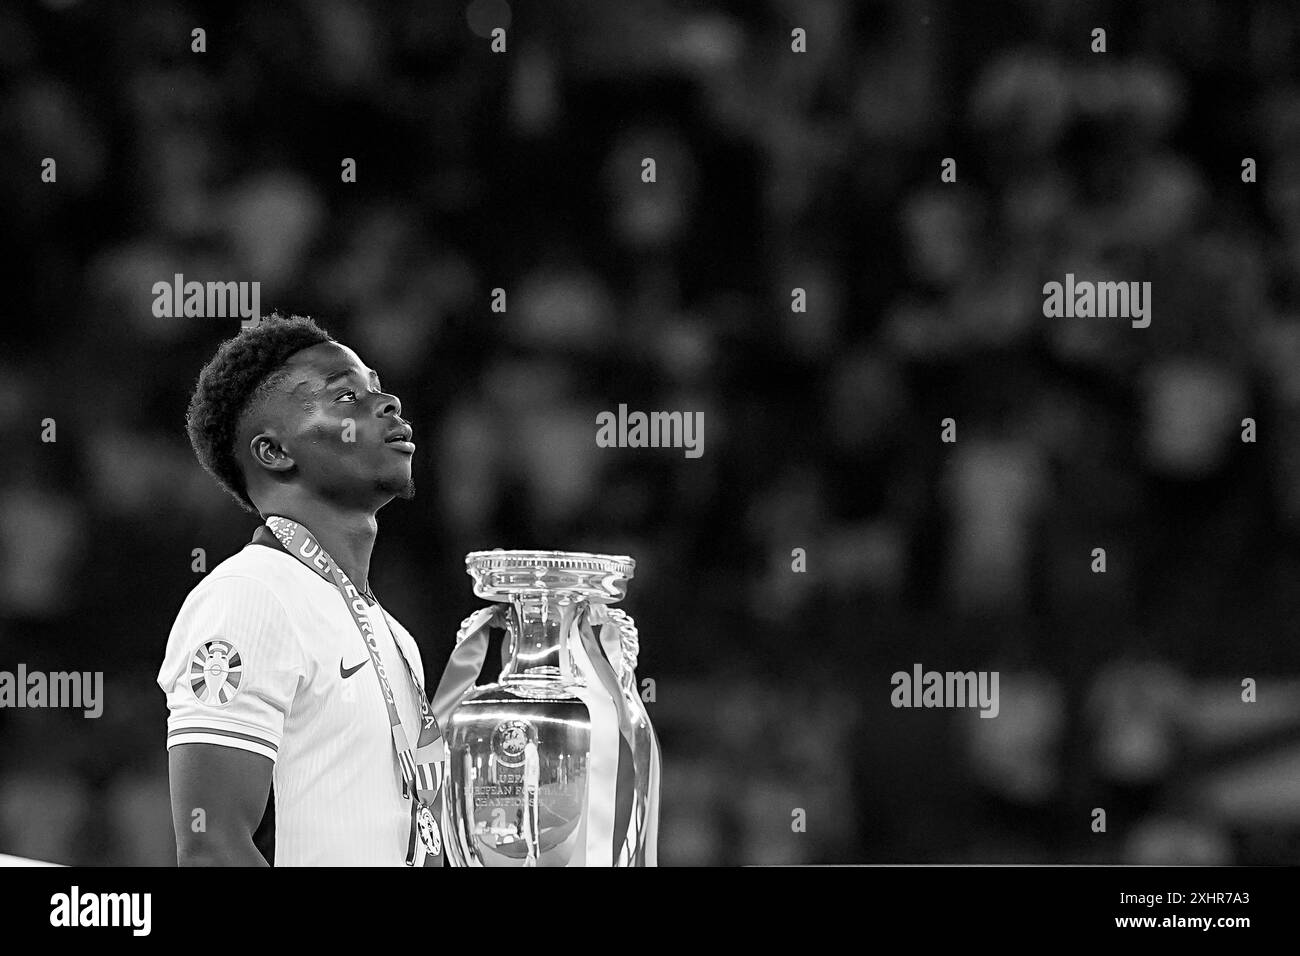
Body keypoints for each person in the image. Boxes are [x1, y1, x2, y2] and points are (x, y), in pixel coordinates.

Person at [157, 313, 443, 866]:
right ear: (275, 452)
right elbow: (212, 847)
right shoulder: (251, 595)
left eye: (379, 390)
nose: (387, 404)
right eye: (345, 398)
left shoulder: (395, 638)